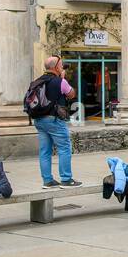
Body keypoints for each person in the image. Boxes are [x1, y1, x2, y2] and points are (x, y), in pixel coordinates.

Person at [33, 56, 82, 188]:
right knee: (64, 148)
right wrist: (63, 79)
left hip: (39, 120)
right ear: (56, 67)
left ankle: (47, 181)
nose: (62, 68)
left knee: (45, 151)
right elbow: (72, 94)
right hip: (54, 120)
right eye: (60, 65)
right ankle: (66, 179)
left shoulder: (37, 81)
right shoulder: (60, 81)